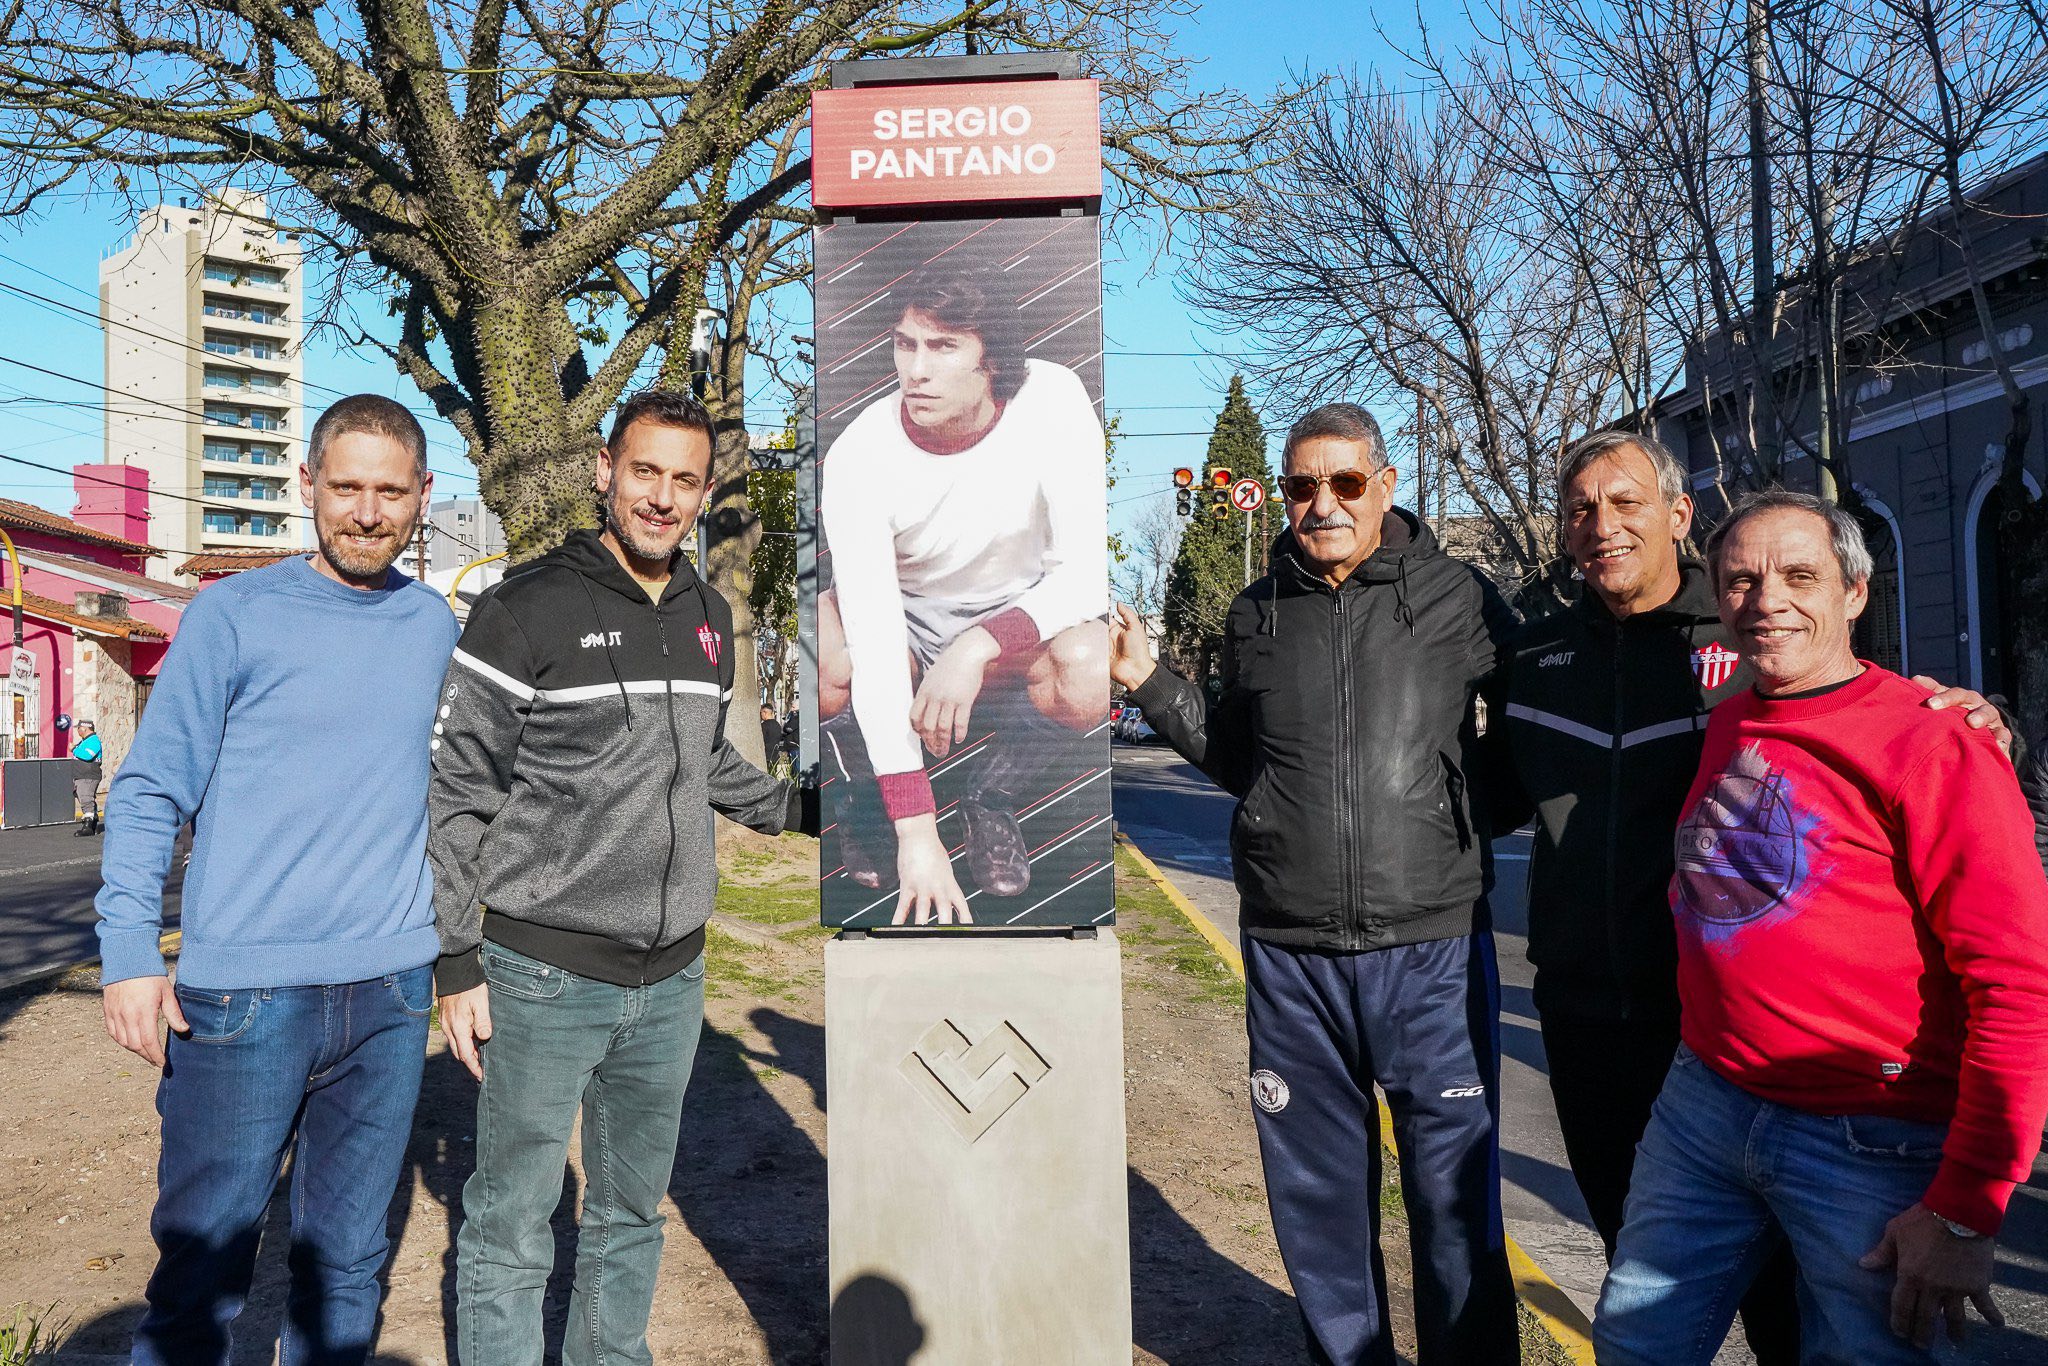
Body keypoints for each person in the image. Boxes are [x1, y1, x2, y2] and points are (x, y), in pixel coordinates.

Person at [1485, 432, 2009, 1362]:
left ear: (1679, 517)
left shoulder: (1757, 644)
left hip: (1789, 1073)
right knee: (1642, 1302)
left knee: (1802, 1314)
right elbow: (1480, 796)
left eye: (1627, 503)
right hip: (1625, 1037)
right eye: (1579, 508)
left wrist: (1967, 722)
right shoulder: (1543, 657)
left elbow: (1860, 709)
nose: (1601, 526)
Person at [1593, 490, 2048, 1365]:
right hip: (1708, 1101)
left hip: (1871, 1134)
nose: (1768, 599)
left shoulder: (1936, 744)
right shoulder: (1737, 711)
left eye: (1801, 575)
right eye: (1742, 579)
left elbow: (2018, 985)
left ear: (1855, 593)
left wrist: (1965, 1206)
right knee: (1636, 1343)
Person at [1110, 403, 1520, 1366]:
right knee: (1321, 1213)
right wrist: (1154, 684)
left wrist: (1460, 820)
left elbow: (1543, 712)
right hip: (1292, 955)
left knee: (1454, 1203)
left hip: (1433, 951)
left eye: (1343, 483)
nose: (1321, 504)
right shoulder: (1256, 611)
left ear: (1384, 485)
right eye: (1301, 486)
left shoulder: (1459, 593)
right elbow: (1241, 757)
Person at [430, 389, 818, 1366]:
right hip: (539, 974)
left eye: (684, 479)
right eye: (644, 471)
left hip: (673, 978)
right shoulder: (523, 608)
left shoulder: (710, 613)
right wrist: (454, 961)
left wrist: (804, 810)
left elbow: (707, 766)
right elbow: (456, 790)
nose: (662, 497)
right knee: (512, 1228)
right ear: (603, 469)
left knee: (629, 1216)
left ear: (704, 491)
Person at [94, 395, 455, 1366]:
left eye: (389, 492)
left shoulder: (434, 626)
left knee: (346, 1268)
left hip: (389, 995)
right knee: (201, 1275)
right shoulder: (231, 615)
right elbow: (149, 791)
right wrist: (129, 954)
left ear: (424, 495)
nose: (367, 513)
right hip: (241, 997)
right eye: (346, 488)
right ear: (307, 485)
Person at [818, 259, 1108, 922]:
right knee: (827, 656)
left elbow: (1087, 570)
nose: (915, 370)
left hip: (1019, 633)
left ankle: (990, 797)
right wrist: (916, 832)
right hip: (910, 631)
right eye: (905, 344)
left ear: (992, 362)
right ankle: (869, 795)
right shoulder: (860, 456)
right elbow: (876, 636)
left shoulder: (1053, 398)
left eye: (944, 346)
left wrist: (980, 643)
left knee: (1093, 668)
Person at [70, 718, 103, 836]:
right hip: (82, 776)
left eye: (78, 728)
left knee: (86, 798)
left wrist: (73, 749)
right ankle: (92, 823)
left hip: (88, 776)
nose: (78, 731)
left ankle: (88, 826)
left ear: (84, 728)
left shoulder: (93, 741)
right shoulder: (85, 741)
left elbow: (87, 755)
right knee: (85, 798)